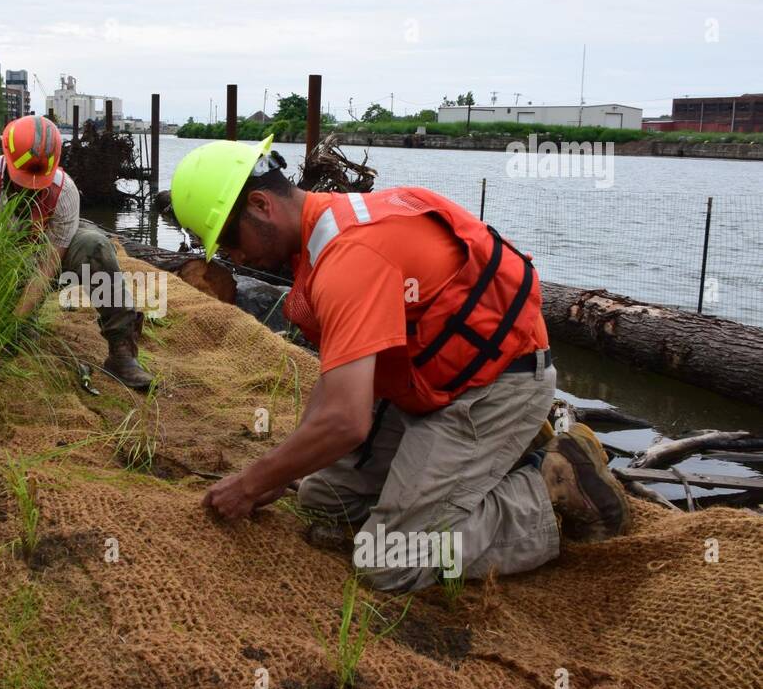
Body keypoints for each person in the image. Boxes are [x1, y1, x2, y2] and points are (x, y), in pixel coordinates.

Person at [169, 136, 631, 592]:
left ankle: (551, 490)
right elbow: (335, 388)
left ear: (260, 203)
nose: (234, 258)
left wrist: (250, 484)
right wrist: (280, 472)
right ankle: (487, 465)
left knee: (385, 562)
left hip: (492, 388)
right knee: (322, 498)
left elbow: (346, 422)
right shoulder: (321, 235)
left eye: (228, 241)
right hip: (425, 383)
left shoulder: (349, 259)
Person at [0, 114, 153, 390]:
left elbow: (46, 269)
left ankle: (122, 351)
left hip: (40, 260)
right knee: (2, 333)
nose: (30, 189)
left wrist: (12, 323)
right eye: (22, 180)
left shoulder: (65, 193)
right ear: (7, 158)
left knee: (94, 246)